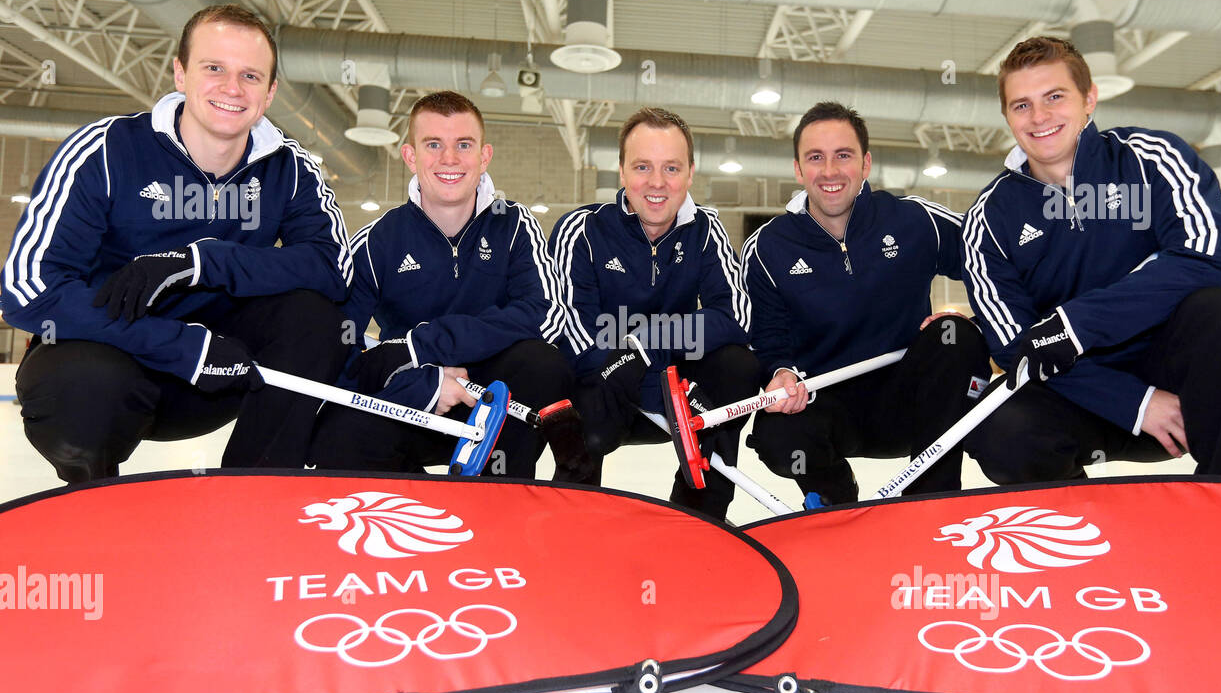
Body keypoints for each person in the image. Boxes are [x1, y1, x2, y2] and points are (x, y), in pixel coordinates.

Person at [0, 4, 352, 484]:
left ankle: (258, 491)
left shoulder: (291, 168)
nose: (232, 88)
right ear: (180, 73)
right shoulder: (105, 150)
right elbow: (27, 289)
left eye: (250, 75)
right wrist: (180, 345)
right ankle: (92, 502)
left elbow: (332, 268)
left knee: (312, 314)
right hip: (112, 366)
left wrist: (202, 263)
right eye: (214, 68)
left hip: (221, 374)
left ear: (269, 93)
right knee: (83, 383)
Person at [962, 35, 1221, 482]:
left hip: (1180, 392)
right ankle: (1074, 533)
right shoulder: (990, 217)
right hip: (1082, 397)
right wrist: (1134, 401)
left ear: (1088, 99)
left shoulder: (1151, 158)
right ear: (1007, 116)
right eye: (1022, 105)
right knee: (1001, 426)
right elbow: (1017, 346)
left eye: (1055, 97)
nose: (1039, 117)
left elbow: (1210, 257)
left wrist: (1078, 324)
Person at [307, 90, 573, 477]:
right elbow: (337, 346)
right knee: (333, 434)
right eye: (434, 144)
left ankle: (498, 498)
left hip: (496, 408)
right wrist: (425, 382)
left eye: (463, 145)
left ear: (484, 156)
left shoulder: (513, 226)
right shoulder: (377, 241)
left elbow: (546, 317)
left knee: (542, 363)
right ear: (411, 156)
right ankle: (417, 508)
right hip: (415, 402)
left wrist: (424, 344)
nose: (449, 159)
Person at [742, 101, 991, 503]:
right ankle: (835, 496)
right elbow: (768, 337)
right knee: (778, 437)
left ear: (866, 163)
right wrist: (781, 371)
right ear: (798, 169)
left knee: (953, 334)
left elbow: (993, 259)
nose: (829, 171)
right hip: (828, 403)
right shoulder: (769, 247)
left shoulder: (912, 220)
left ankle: (932, 499)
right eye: (815, 158)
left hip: (913, 403)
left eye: (843, 155)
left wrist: (979, 323)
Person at [548, 107, 760, 520]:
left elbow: (736, 315)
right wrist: (632, 365)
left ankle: (698, 517)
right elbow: (571, 332)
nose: (657, 183)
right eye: (643, 166)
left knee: (739, 365)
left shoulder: (706, 230)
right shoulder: (582, 230)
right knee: (582, 414)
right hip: (607, 391)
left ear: (690, 173)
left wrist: (646, 345)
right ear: (622, 171)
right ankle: (572, 525)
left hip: (677, 394)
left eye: (671, 168)